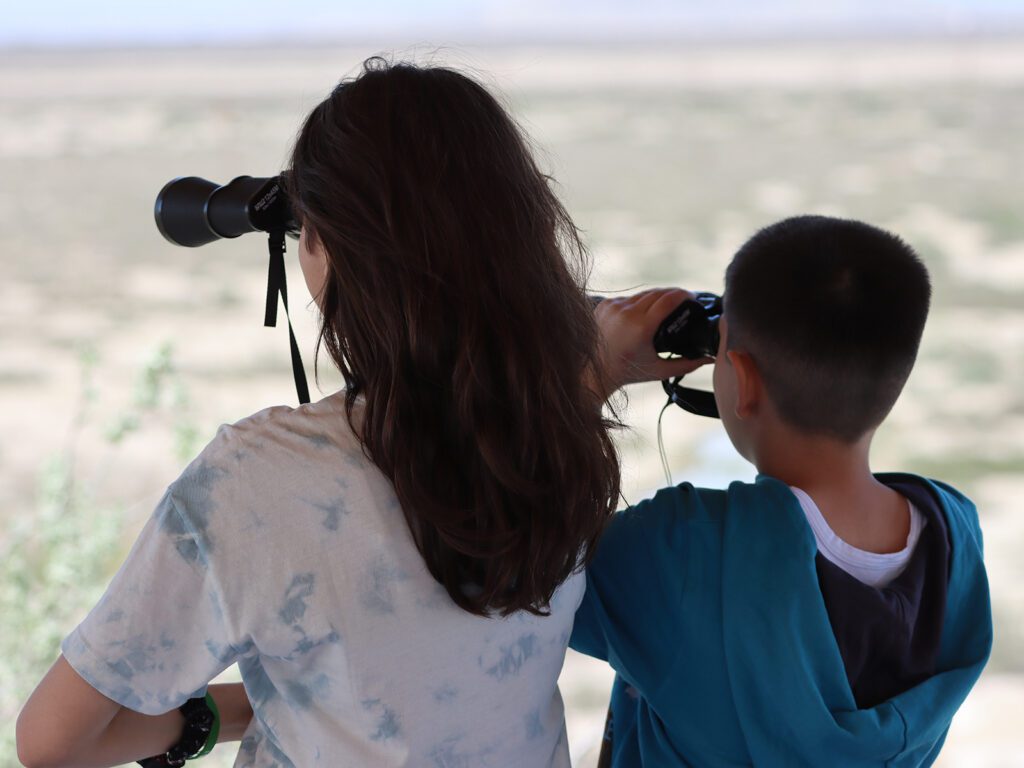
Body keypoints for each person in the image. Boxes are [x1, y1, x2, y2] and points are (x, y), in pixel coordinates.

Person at [15, 59, 702, 768]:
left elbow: (53, 741)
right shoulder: (555, 445)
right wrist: (597, 373)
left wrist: (221, 716)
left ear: (323, 245)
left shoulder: (255, 479)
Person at [571, 215, 993, 767]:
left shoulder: (684, 551)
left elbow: (516, 565)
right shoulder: (956, 537)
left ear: (742, 379)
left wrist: (592, 377)